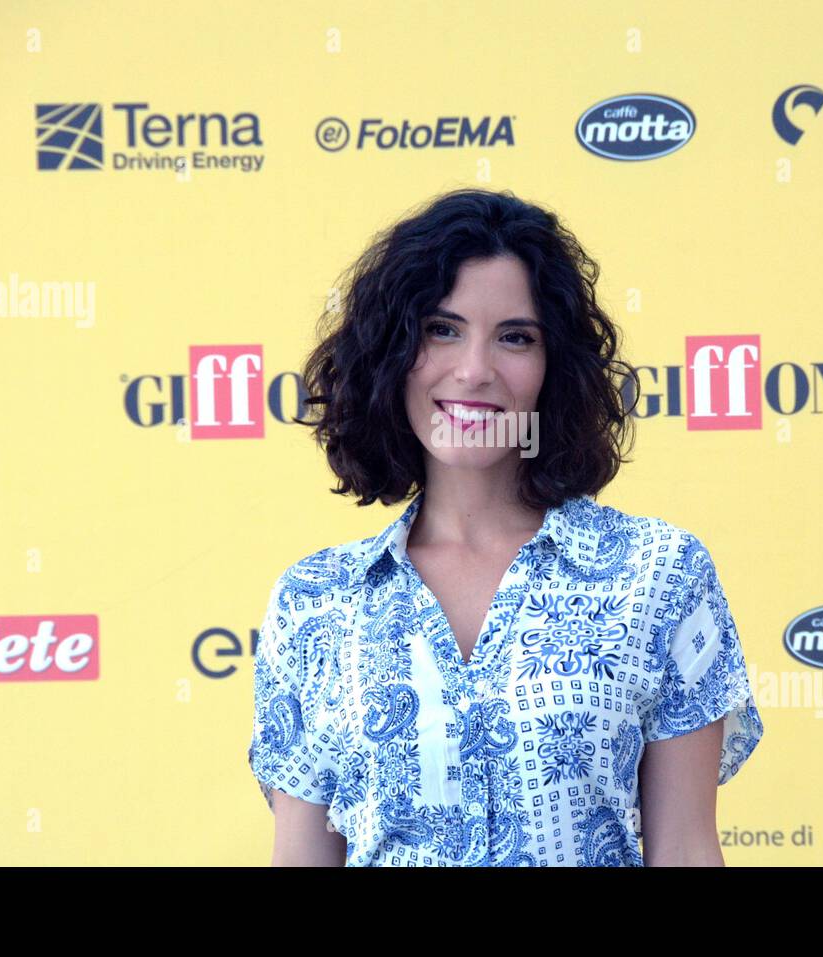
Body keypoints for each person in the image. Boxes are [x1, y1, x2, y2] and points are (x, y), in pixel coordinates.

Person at [248, 188, 764, 866]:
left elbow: (687, 849)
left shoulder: (657, 573)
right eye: (442, 328)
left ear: (556, 368)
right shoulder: (315, 602)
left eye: (515, 337)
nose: (475, 370)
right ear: (391, 353)